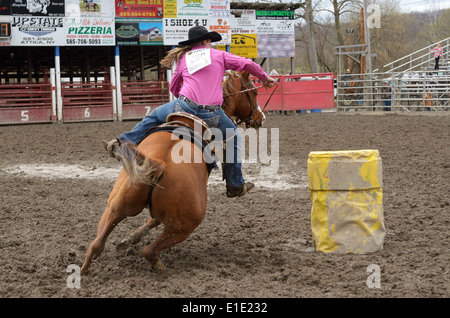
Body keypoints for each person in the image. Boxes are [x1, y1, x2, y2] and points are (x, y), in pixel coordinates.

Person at [105, 26, 277, 198]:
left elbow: (174, 87)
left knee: (154, 116)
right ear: (205, 41)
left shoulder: (184, 59)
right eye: (210, 41)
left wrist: (184, 99)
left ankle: (122, 141)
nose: (211, 44)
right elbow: (247, 64)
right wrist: (264, 76)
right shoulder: (220, 56)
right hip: (212, 115)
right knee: (234, 136)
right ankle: (235, 184)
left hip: (184, 107)